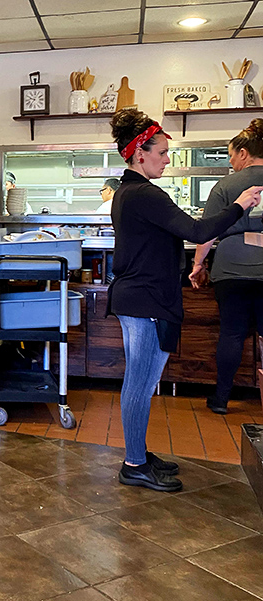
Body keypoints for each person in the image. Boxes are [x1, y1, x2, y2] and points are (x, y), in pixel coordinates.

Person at [107, 108, 262, 492]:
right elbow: (197, 229)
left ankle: (139, 454)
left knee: (143, 382)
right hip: (144, 301)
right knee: (139, 384)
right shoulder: (144, 193)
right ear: (140, 152)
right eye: (161, 152)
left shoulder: (130, 192)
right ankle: (133, 464)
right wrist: (240, 205)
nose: (166, 159)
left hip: (145, 298)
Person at [189, 119, 263, 414]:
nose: (231, 162)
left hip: (232, 265)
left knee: (232, 333)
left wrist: (198, 265)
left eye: (232, 155)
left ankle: (221, 399)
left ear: (244, 153)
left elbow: (207, 231)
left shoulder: (226, 185)